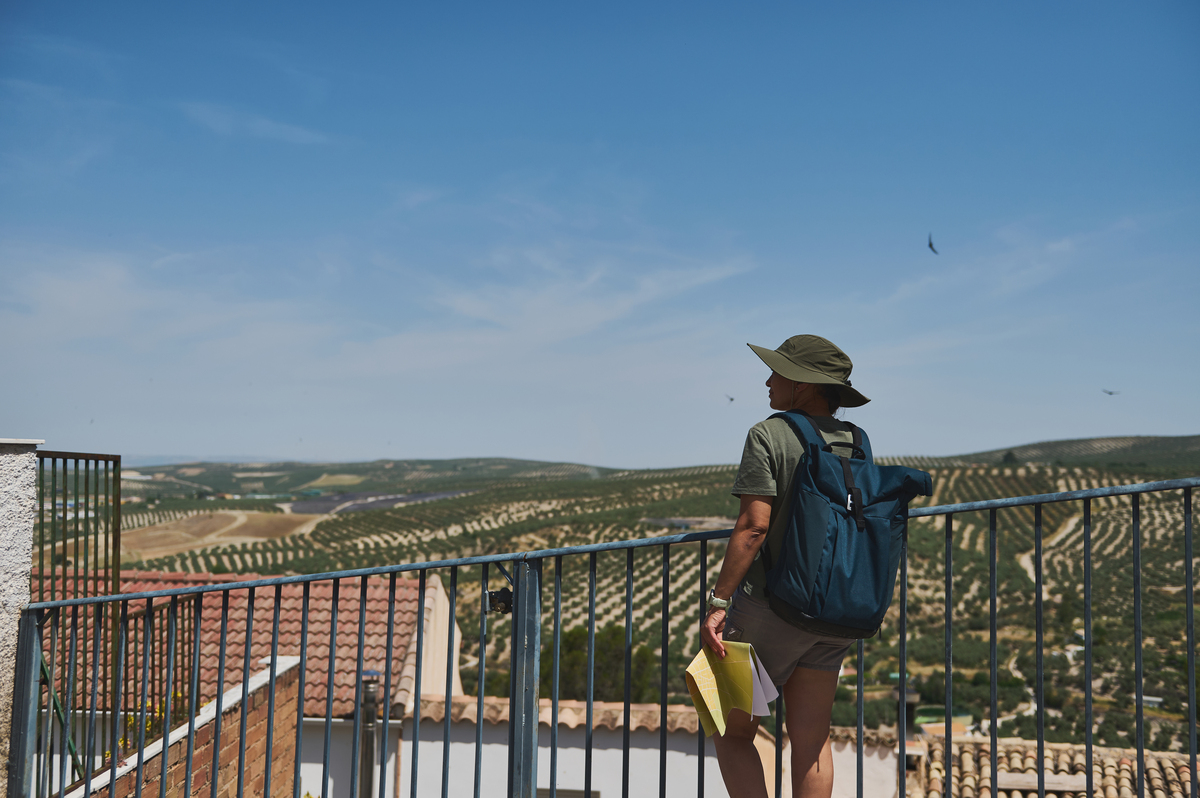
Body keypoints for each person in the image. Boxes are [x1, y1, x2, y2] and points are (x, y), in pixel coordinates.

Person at [700, 334, 872, 798]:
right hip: (835, 608)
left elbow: (754, 529)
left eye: (778, 372)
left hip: (770, 609)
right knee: (812, 739)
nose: (768, 380)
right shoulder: (857, 440)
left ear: (805, 385)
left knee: (730, 728)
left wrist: (717, 603)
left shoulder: (769, 434)